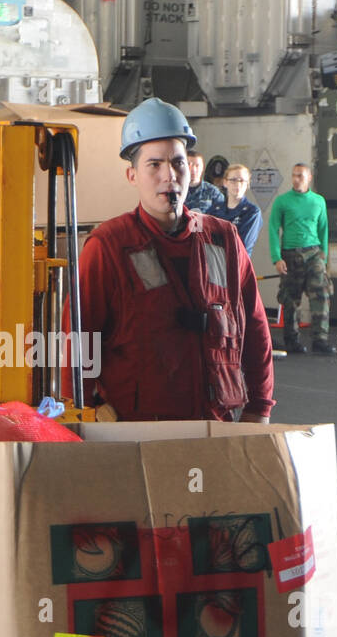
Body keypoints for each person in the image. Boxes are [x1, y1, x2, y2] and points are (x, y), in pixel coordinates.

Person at [63, 97, 274, 423]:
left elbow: (256, 327)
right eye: (154, 164)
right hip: (136, 432)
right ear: (132, 175)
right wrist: (85, 414)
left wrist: (259, 407)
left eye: (178, 163)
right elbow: (77, 339)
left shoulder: (223, 239)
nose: (169, 175)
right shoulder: (109, 247)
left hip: (213, 425)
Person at [268, 162, 332, 355]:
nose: (296, 179)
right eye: (294, 175)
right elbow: (273, 229)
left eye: (300, 176)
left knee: (321, 294)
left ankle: (320, 340)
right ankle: (292, 340)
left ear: (309, 178)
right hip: (290, 253)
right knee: (290, 299)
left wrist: (324, 255)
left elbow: (323, 228)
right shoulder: (282, 201)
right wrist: (276, 258)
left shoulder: (318, 201)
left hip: (313, 253)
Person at [207, 162, 262, 255]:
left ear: (247, 184)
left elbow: (242, 244)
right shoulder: (214, 210)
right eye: (233, 180)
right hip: (214, 262)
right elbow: (206, 239)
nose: (237, 184)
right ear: (225, 182)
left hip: (237, 263)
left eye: (242, 180)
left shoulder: (252, 212)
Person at [184, 149, 222, 214]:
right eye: (188, 165)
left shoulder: (213, 192)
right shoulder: (175, 190)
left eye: (197, 165)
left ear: (203, 168)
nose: (193, 169)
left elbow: (222, 217)